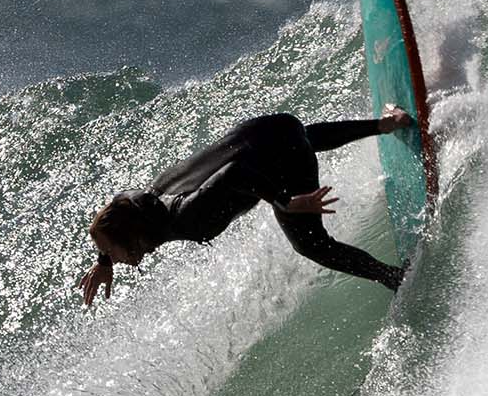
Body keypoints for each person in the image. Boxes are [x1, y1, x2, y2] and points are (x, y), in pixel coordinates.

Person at [76, 107, 415, 306]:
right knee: (296, 139)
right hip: (271, 128)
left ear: (131, 235)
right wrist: (104, 258)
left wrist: (285, 201)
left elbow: (237, 173)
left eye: (112, 252)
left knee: (311, 245)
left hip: (280, 159)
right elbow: (119, 207)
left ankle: (396, 278)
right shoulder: (143, 201)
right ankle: (386, 123)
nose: (115, 261)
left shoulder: (186, 218)